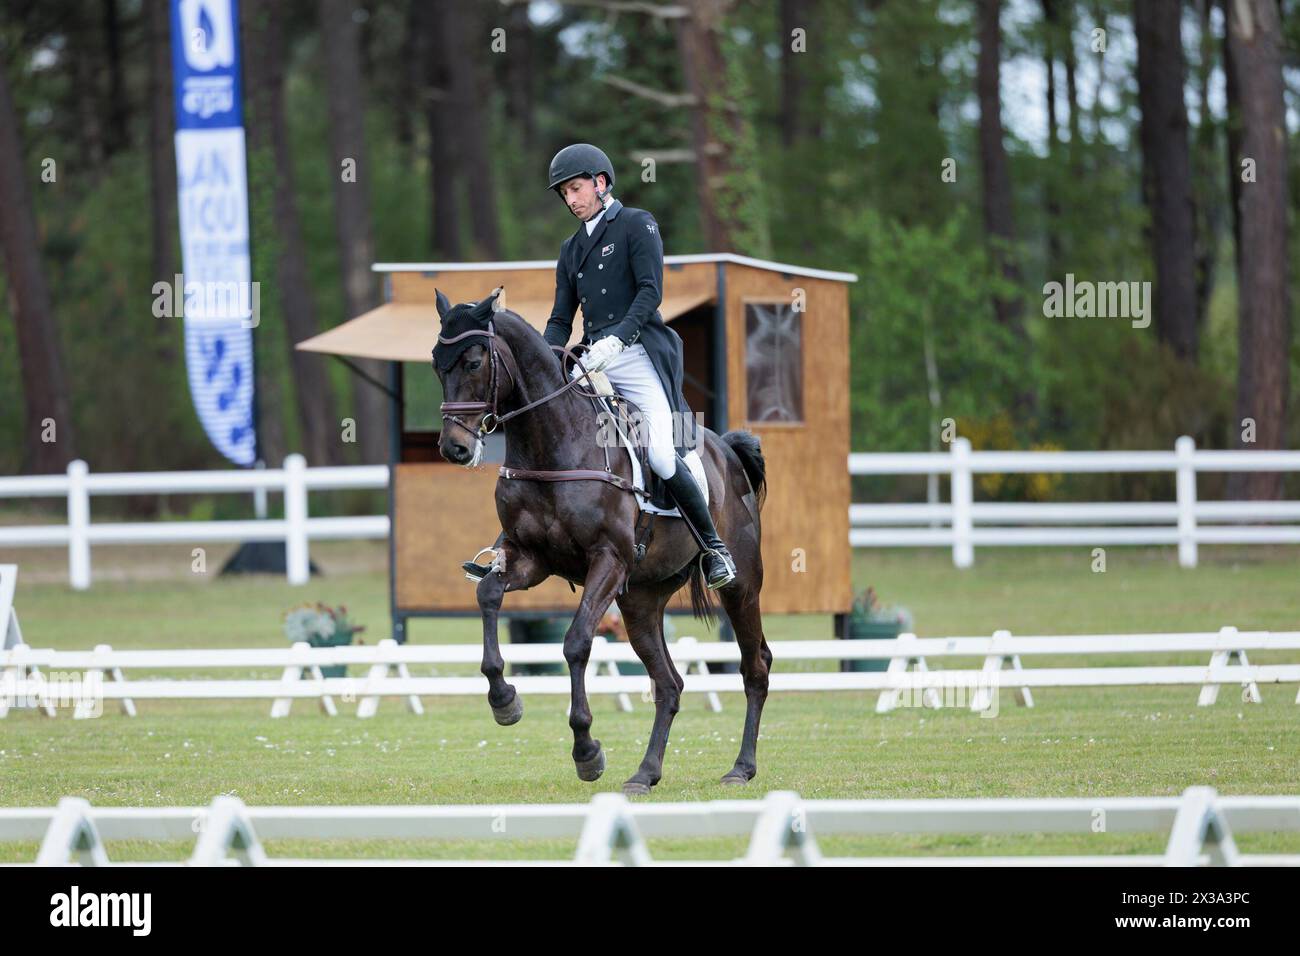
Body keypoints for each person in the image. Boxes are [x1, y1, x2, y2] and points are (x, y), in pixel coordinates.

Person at [462, 143, 736, 589]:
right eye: (564, 193)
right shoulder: (571, 250)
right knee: (549, 428)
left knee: (663, 453)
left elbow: (651, 293)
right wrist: (545, 361)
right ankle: (506, 549)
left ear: (601, 183)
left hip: (638, 353)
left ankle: (713, 548)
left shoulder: (636, 225)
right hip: (591, 358)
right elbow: (558, 319)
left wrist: (617, 338)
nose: (571, 199)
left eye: (576, 188)